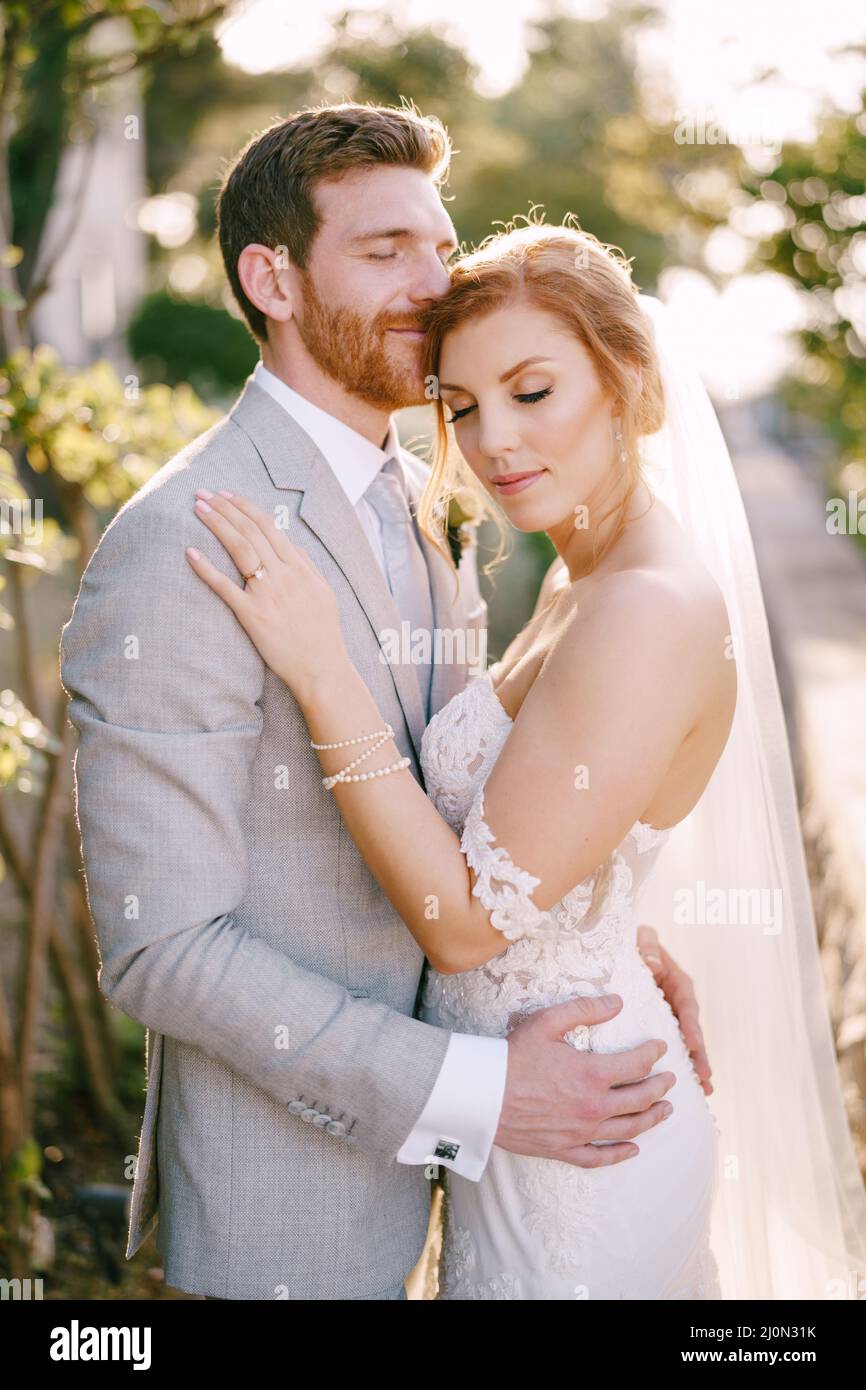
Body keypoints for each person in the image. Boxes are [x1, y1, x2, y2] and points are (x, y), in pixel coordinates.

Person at [58, 104, 703, 1302]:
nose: (434, 282)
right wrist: (478, 1093)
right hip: (292, 1208)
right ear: (274, 278)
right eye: (384, 250)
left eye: (440, 244)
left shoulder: (433, 496)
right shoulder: (181, 545)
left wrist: (589, 927)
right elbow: (162, 946)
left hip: (509, 1174)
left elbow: (469, 800)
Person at [187, 217, 866, 1299]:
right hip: (527, 1113)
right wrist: (603, 920)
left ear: (627, 384)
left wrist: (324, 673)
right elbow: (541, 833)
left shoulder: (643, 607)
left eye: (531, 392)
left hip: (585, 1166)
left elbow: (463, 925)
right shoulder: (577, 580)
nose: (493, 439)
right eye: (458, 407)